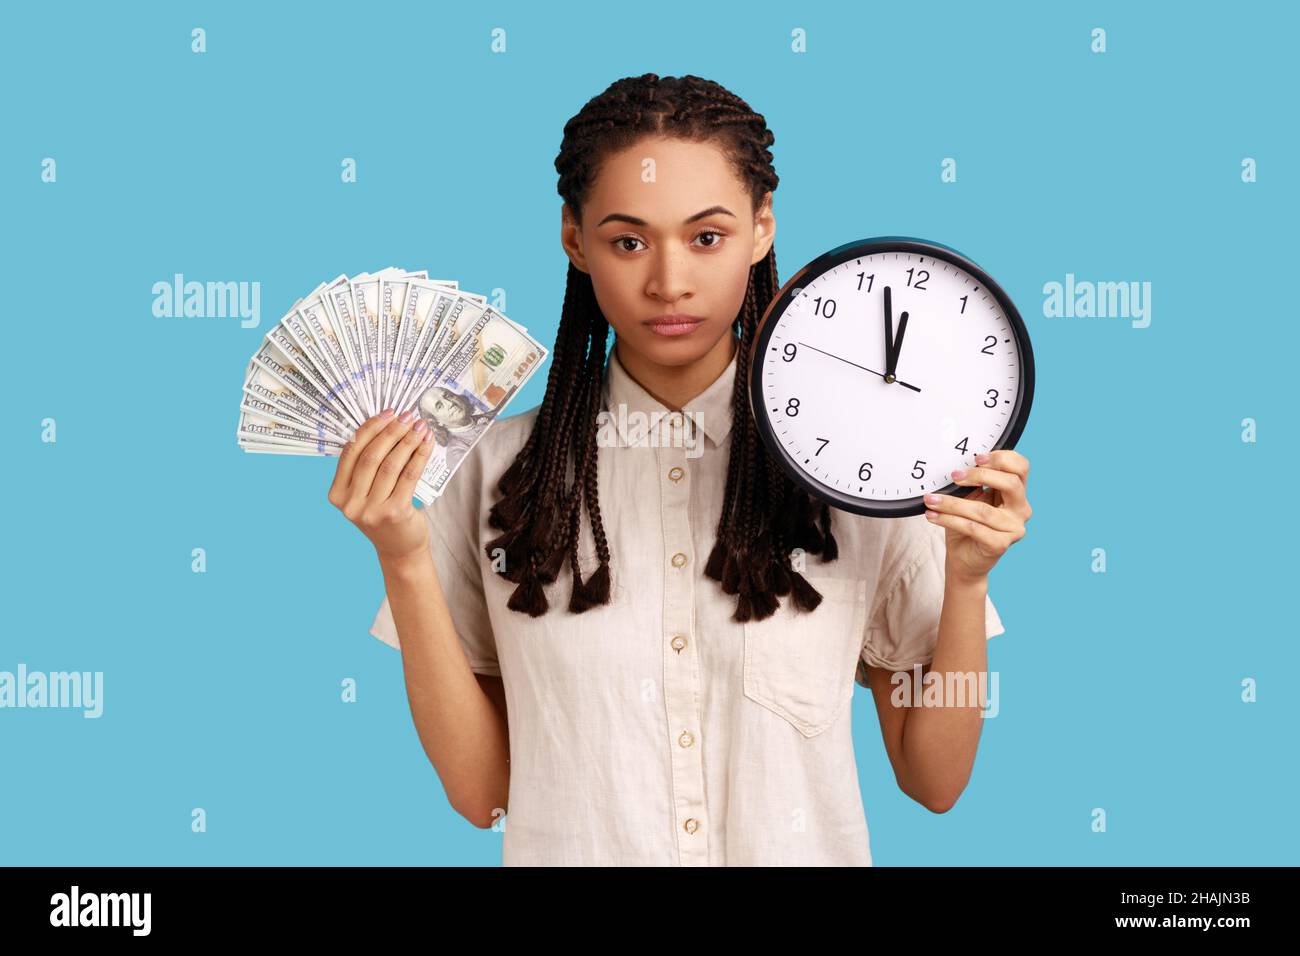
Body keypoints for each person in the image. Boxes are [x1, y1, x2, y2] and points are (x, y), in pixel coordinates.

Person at [328, 73, 1033, 866]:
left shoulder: (861, 466)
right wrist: (402, 558)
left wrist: (968, 580)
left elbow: (934, 781)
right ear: (573, 237)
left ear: (763, 229)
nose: (669, 282)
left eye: (707, 237)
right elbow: (483, 797)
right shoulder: (494, 474)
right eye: (628, 241)